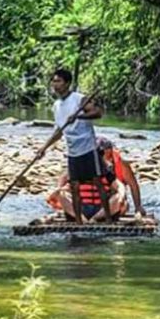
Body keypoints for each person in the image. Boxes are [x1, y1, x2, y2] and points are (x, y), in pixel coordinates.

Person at [36, 68, 110, 224]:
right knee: (74, 186)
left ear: (67, 83)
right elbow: (59, 131)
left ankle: (109, 220)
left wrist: (79, 117)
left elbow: (97, 113)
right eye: (53, 81)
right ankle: (78, 222)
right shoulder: (56, 106)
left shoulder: (79, 99)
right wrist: (44, 147)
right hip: (72, 151)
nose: (55, 85)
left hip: (88, 147)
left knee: (97, 182)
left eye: (59, 81)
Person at [46, 136, 147, 221]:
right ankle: (82, 218)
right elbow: (64, 185)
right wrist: (58, 191)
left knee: (120, 200)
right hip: (82, 206)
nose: (106, 159)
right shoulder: (79, 166)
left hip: (102, 207)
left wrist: (135, 205)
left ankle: (95, 218)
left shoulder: (111, 169)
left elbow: (126, 185)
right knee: (62, 195)